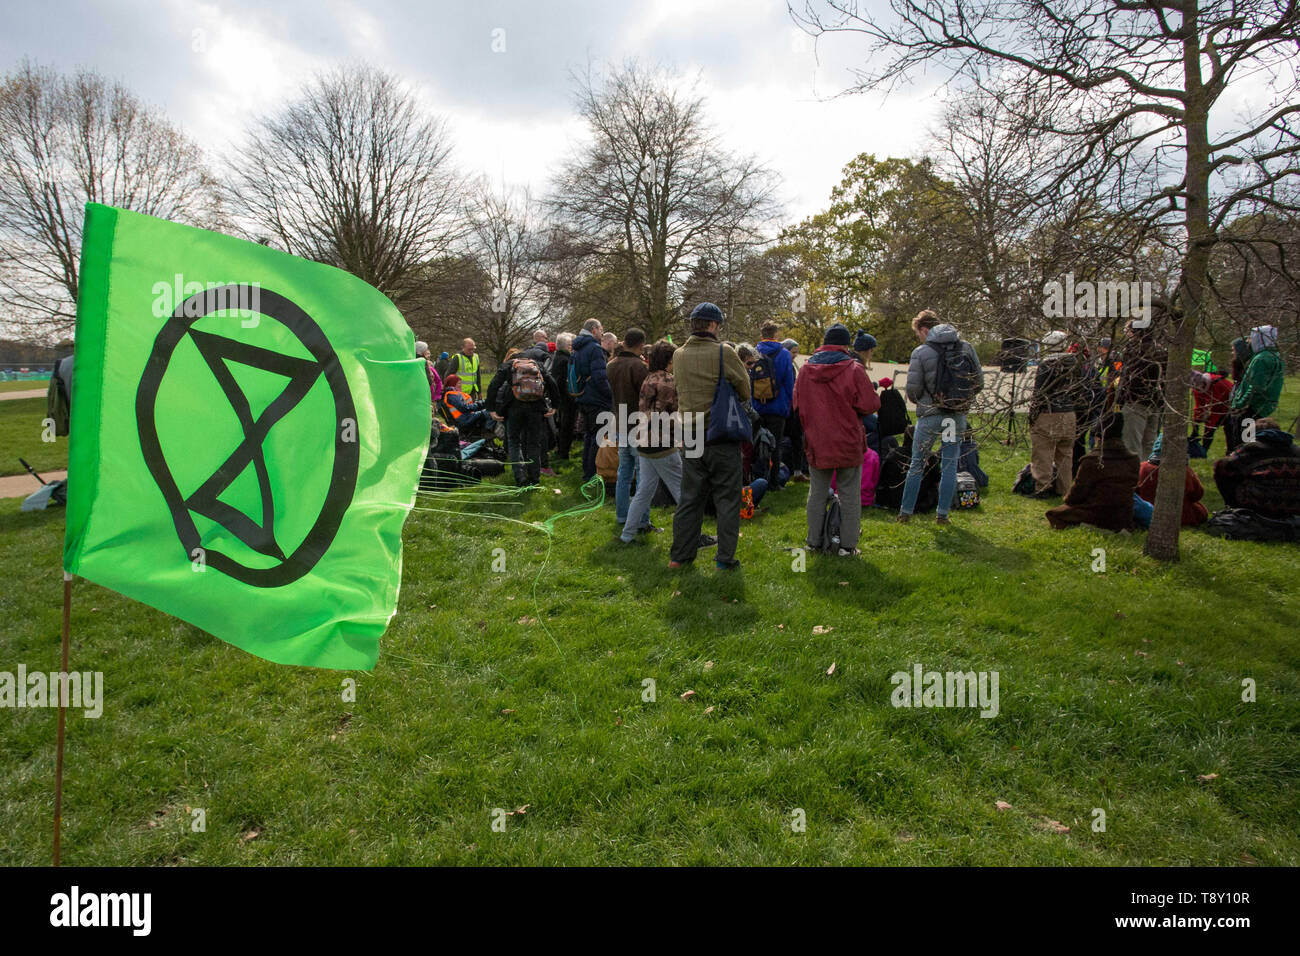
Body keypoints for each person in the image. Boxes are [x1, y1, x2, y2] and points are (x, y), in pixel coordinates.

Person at [668, 302, 750, 570]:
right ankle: (725, 560)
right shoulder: (723, 352)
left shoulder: (678, 354)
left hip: (689, 434)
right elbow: (745, 389)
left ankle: (679, 558)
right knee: (727, 498)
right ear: (713, 325)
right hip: (720, 433)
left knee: (690, 498)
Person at [793, 323, 881, 555]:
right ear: (845, 344)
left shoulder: (805, 370)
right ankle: (847, 546)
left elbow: (796, 403)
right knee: (850, 494)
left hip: (817, 439)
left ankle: (813, 542)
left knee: (817, 492)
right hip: (847, 439)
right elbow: (870, 404)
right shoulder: (854, 369)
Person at [897, 310, 984, 525]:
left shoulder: (921, 352)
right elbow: (979, 382)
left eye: (919, 333)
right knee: (949, 465)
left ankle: (905, 512)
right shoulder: (966, 348)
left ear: (925, 330)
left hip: (930, 415)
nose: (919, 337)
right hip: (954, 416)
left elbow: (914, 392)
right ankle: (942, 514)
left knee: (917, 463)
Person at [1045, 414, 1140, 531]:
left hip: (1097, 514)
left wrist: (1067, 501)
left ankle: (1088, 526)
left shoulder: (1092, 461)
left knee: (1054, 513)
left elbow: (1075, 496)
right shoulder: (1133, 459)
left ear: (1098, 438)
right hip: (1124, 518)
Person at [494, 347, 560, 487]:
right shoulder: (537, 366)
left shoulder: (509, 366)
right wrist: (554, 405)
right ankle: (534, 477)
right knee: (534, 444)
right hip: (535, 408)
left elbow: (495, 386)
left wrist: (492, 409)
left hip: (514, 409)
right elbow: (552, 383)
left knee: (514, 442)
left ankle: (520, 476)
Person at [1027, 330, 1081, 498]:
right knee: (1065, 454)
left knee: (1043, 452)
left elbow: (1039, 392)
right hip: (1069, 412)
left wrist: (1033, 414)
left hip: (1049, 412)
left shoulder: (1047, 364)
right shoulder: (1075, 363)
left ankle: (1042, 487)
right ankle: (1065, 488)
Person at [1213, 417, 1300, 517]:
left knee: (1225, 472)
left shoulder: (1251, 449)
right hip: (1295, 507)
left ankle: (1234, 508)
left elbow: (1221, 465)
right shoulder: (1296, 450)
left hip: (1261, 506)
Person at [608, 328, 650, 528]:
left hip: (620, 423)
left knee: (623, 474)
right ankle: (641, 520)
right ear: (641, 344)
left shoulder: (611, 365)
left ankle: (622, 515)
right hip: (637, 426)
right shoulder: (639, 367)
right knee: (643, 477)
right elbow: (647, 397)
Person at [748, 321, 797, 487]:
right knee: (775, 445)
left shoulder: (753, 352)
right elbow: (789, 382)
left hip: (757, 406)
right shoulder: (784, 354)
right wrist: (789, 403)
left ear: (761, 335)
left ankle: (756, 478)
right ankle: (774, 482)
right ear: (776, 335)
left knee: (756, 443)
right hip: (778, 406)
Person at [1225, 325, 1285, 452]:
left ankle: (1243, 468)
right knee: (1251, 443)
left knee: (1244, 445)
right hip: (1262, 406)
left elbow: (1256, 387)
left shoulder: (1262, 359)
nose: (1249, 342)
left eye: (1251, 339)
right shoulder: (1275, 356)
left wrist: (1241, 404)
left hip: (1251, 408)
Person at [1116, 318, 1166, 459]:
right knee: (1149, 443)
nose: (1127, 334)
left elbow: (1126, 378)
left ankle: (1134, 476)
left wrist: (1118, 402)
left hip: (1135, 401)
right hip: (1155, 402)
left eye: (1128, 331)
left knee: (1132, 444)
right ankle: (1147, 475)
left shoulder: (1133, 350)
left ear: (1135, 332)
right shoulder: (1160, 349)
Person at [570, 319, 613, 482]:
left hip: (582, 396)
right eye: (601, 329)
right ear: (594, 329)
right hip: (597, 399)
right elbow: (600, 377)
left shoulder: (576, 348)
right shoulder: (595, 348)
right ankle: (593, 473)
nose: (602, 332)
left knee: (588, 436)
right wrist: (610, 395)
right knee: (597, 437)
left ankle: (586, 470)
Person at [1137, 435, 1208, 526]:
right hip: (1181, 516)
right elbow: (1197, 494)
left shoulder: (1142, 467)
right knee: (1200, 509)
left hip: (1147, 512)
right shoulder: (1185, 471)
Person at [1189, 364, 1234, 455]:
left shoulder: (1217, 384)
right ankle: (1202, 452)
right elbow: (1199, 406)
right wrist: (1195, 428)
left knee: (1228, 427)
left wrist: (1209, 428)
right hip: (1217, 405)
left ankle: (1230, 451)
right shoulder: (1196, 388)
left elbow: (1217, 409)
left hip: (1230, 403)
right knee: (1209, 427)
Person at [549, 332, 577, 461]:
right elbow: (564, 381)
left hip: (559, 397)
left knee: (561, 424)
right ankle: (563, 452)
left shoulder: (557, 357)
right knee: (567, 425)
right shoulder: (566, 360)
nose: (572, 347)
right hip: (566, 398)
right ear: (565, 346)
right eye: (570, 345)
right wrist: (571, 395)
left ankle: (560, 448)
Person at [416, 341, 443, 405]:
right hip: (425, 390)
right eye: (425, 350)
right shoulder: (423, 361)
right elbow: (430, 379)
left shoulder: (412, 359)